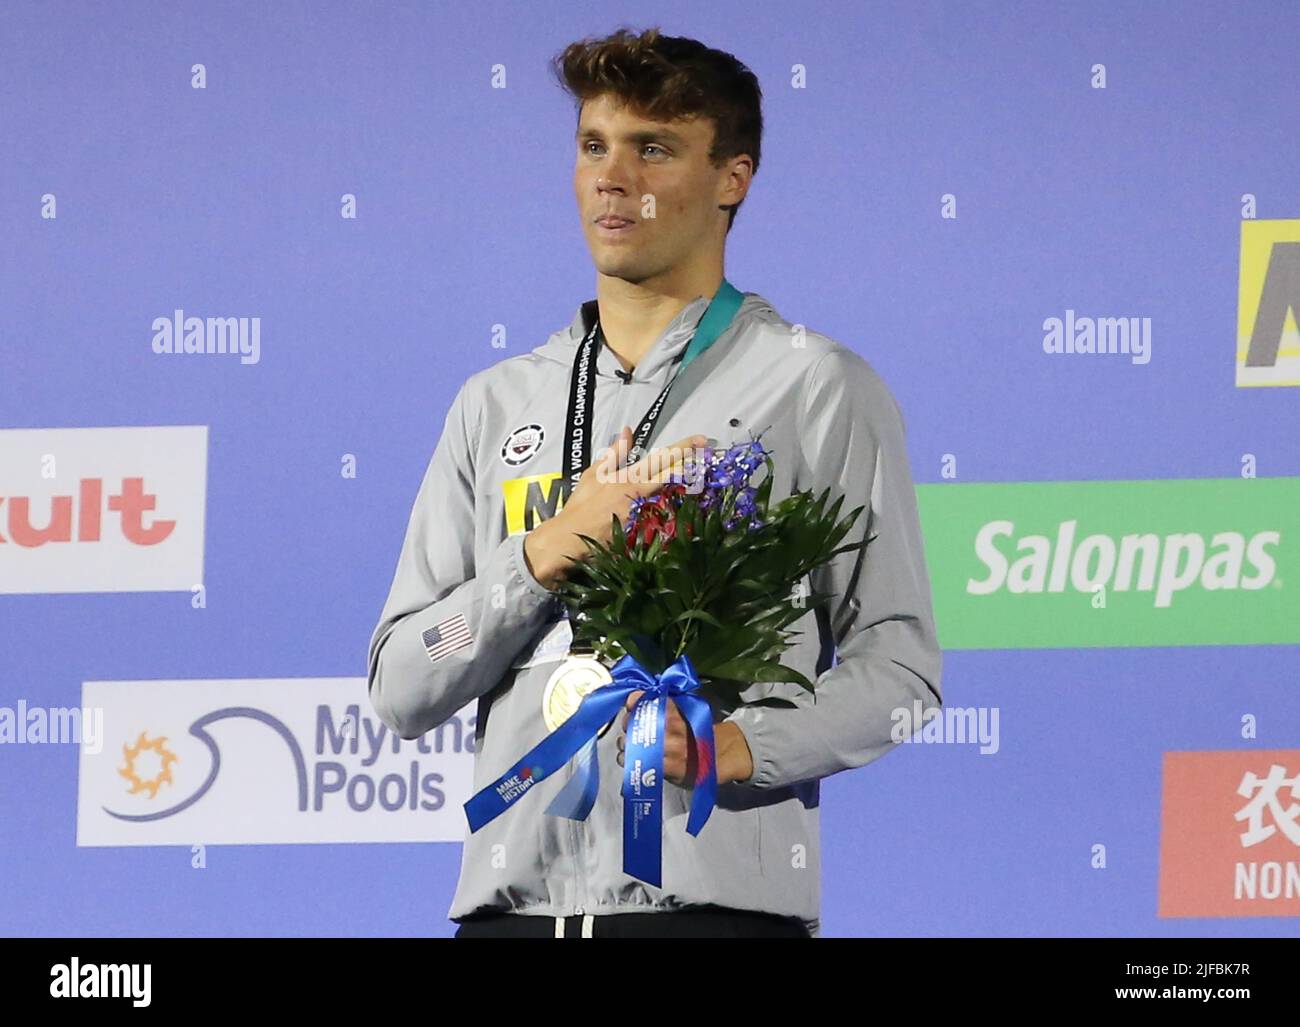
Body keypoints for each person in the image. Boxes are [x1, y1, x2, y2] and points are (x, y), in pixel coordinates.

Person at [366, 26, 943, 939]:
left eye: (654, 149)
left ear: (732, 179)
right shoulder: (494, 401)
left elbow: (902, 669)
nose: (611, 175)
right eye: (594, 145)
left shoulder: (817, 386)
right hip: (510, 914)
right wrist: (544, 553)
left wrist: (745, 746)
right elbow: (403, 680)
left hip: (713, 910)